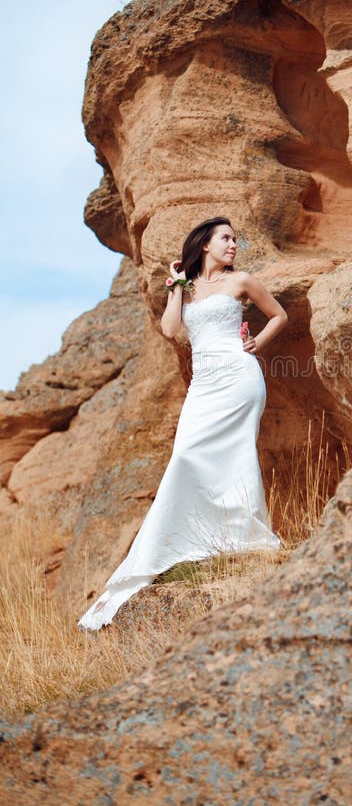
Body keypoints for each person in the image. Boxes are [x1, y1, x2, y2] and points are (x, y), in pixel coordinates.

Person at [78, 216, 287, 630]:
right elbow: (171, 330)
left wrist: (255, 343)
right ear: (205, 245)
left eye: (234, 239)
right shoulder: (186, 289)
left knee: (237, 453)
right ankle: (197, 539)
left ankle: (239, 536)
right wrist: (175, 287)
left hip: (239, 376)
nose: (233, 245)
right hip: (204, 384)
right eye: (225, 239)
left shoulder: (241, 281)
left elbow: (279, 316)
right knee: (188, 455)